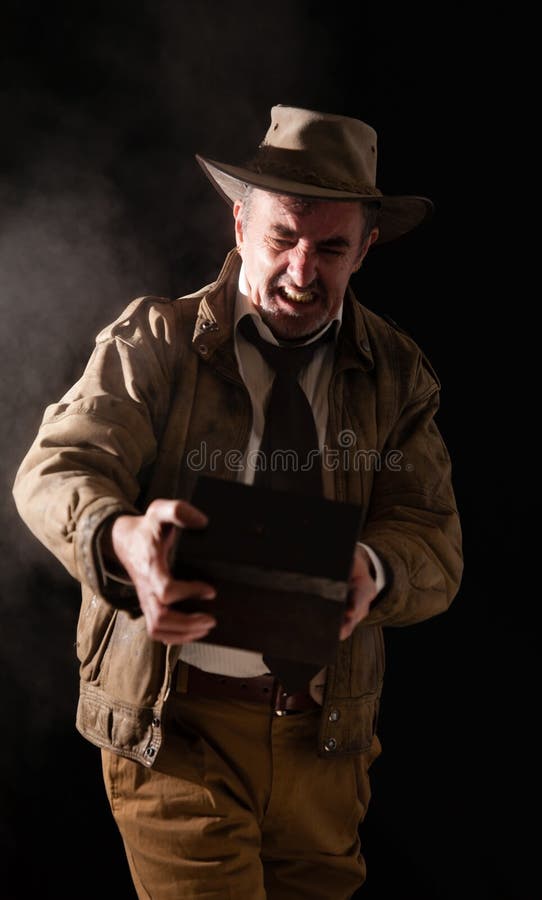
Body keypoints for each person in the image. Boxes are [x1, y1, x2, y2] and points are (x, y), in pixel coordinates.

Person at [13, 104, 463, 898]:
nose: (302, 271)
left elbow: (433, 543)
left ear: (365, 249)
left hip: (325, 746)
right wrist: (122, 541)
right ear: (239, 223)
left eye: (330, 249)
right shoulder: (153, 340)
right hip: (176, 733)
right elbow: (57, 469)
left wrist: (374, 571)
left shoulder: (397, 375)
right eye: (283, 238)